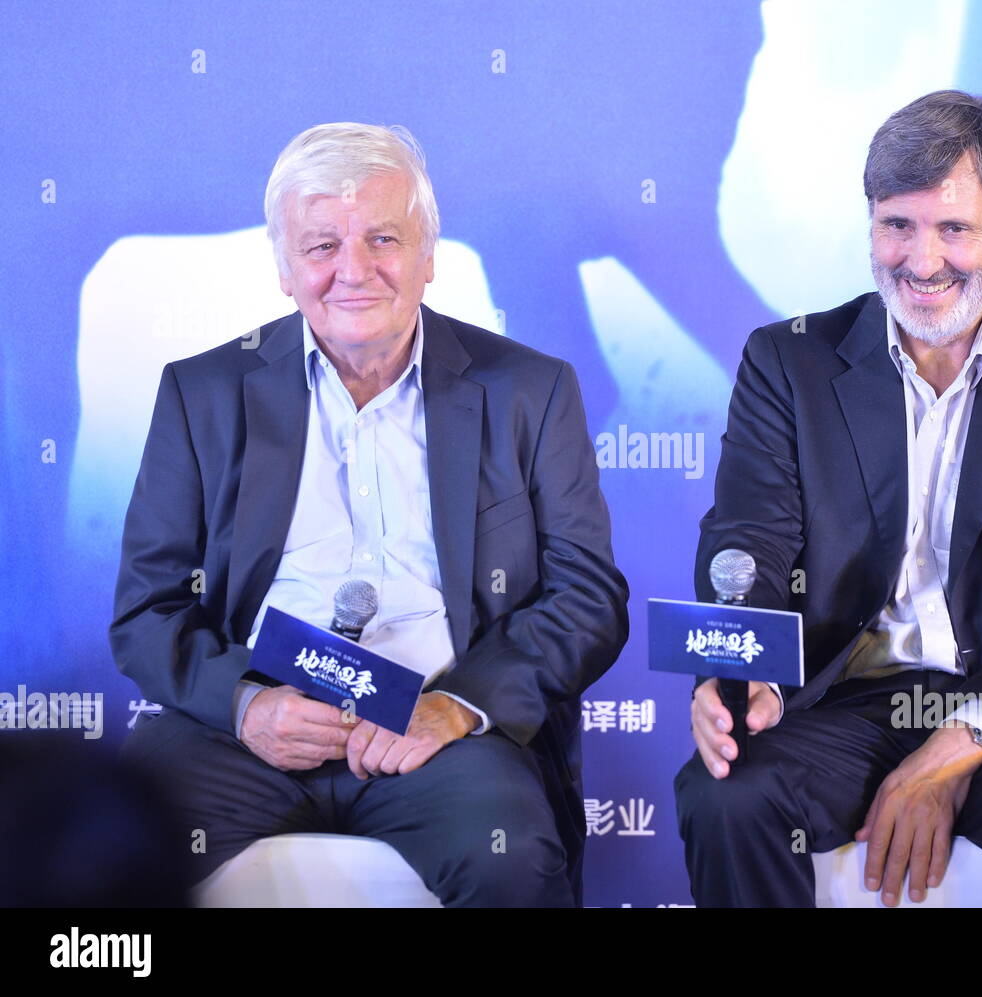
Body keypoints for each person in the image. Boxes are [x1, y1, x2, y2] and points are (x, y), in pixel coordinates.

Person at [110, 122, 629, 907]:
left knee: (512, 857)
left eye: (383, 238)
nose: (353, 271)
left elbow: (588, 600)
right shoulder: (202, 393)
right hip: (241, 730)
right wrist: (247, 705)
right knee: (95, 842)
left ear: (429, 256)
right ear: (285, 269)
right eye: (321, 246)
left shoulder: (530, 390)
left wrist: (454, 709)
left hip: (439, 732)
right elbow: (147, 611)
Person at [674, 90, 982, 907]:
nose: (922, 259)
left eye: (953, 228)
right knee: (727, 790)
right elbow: (747, 547)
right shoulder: (788, 365)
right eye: (897, 224)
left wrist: (955, 746)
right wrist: (738, 673)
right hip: (846, 703)